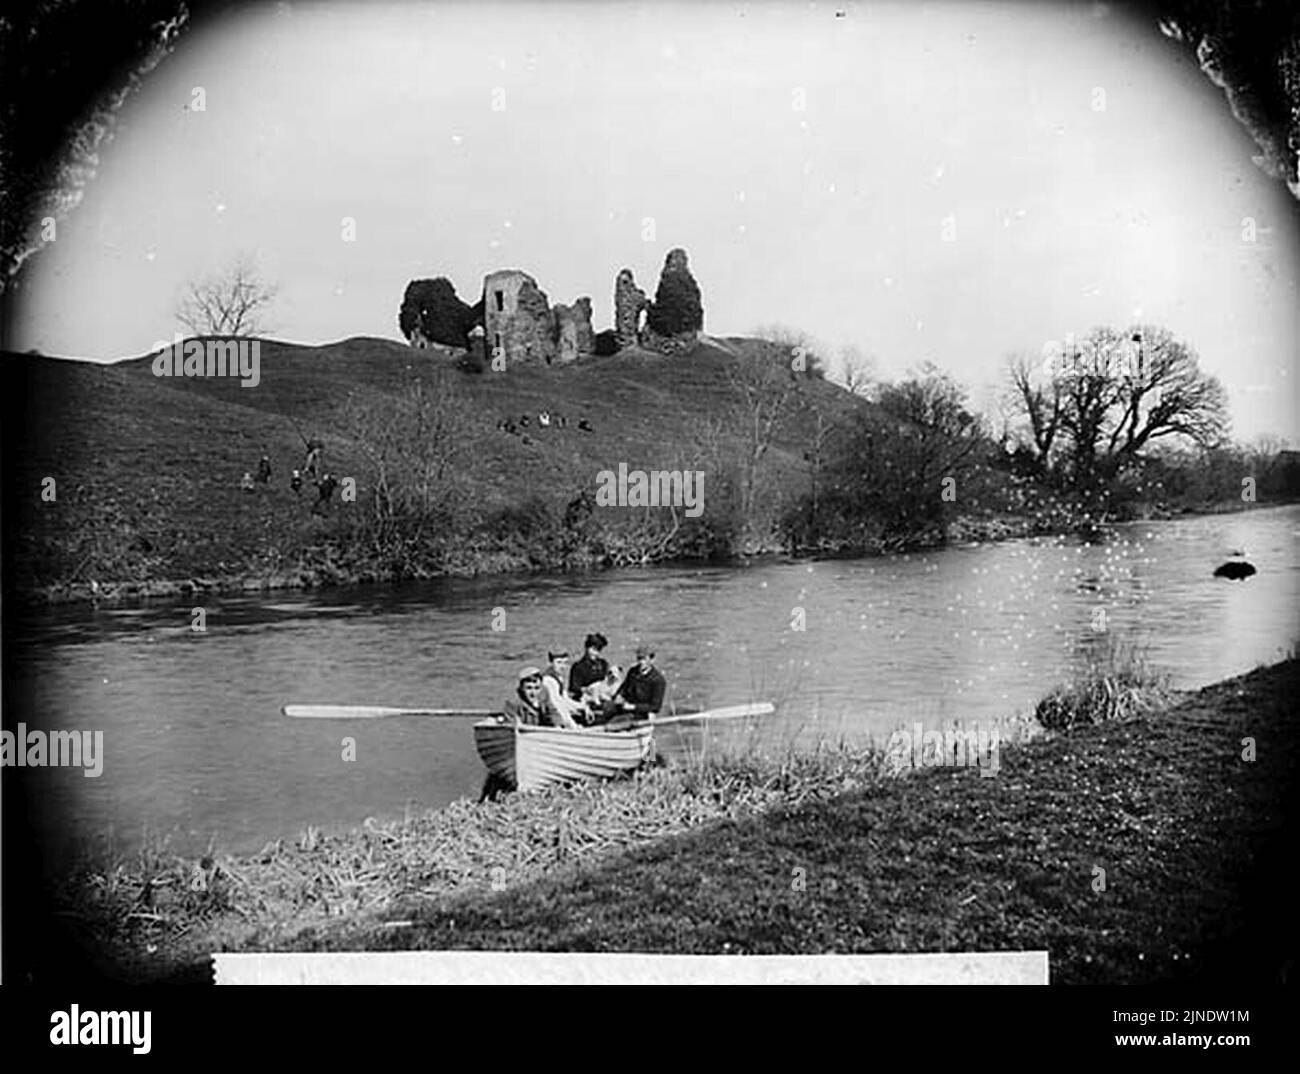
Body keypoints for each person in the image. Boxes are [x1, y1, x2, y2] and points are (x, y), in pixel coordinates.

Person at [603, 644, 666, 729]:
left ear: (651, 660)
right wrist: (619, 696)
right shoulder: (633, 672)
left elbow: (655, 707)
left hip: (641, 714)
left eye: (644, 659)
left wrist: (633, 707)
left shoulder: (658, 680)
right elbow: (624, 688)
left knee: (612, 724)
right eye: (639, 659)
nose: (641, 662)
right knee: (606, 709)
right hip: (624, 707)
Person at [539, 651, 585, 728]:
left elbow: (565, 699)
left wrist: (582, 706)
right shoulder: (548, 680)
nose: (563, 666)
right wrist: (573, 725)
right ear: (550, 663)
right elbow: (557, 705)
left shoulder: (559, 678)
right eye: (559, 662)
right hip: (550, 717)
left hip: (558, 713)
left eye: (565, 663)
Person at [569, 633, 610, 701]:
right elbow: (574, 688)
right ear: (587, 648)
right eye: (593, 649)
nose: (595, 653)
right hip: (584, 698)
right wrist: (587, 689)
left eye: (598, 650)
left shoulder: (603, 664)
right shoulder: (578, 667)